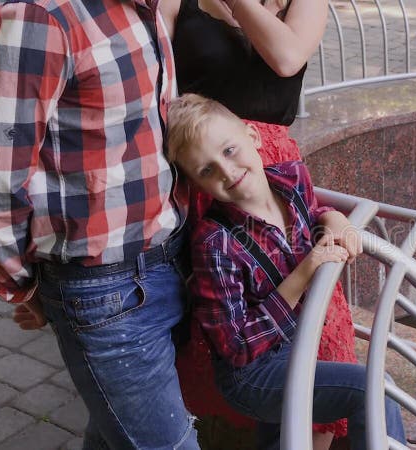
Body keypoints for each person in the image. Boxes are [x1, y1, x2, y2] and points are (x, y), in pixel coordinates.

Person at [0, 0, 200, 448]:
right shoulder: (37, 18)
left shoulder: (144, 7)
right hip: (103, 292)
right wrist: (25, 288)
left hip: (167, 258)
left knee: (114, 431)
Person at [160, 0, 361, 445]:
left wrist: (330, 216)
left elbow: (287, 59)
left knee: (316, 327)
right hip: (202, 171)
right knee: (217, 317)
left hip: (267, 163)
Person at [167, 93, 406, 450]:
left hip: (295, 347)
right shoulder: (214, 243)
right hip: (253, 374)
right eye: (207, 170)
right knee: (372, 389)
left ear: (253, 136)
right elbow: (235, 347)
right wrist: (306, 270)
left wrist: (333, 218)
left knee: (282, 439)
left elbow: (312, 213)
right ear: (197, 185)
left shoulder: (292, 179)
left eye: (229, 151)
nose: (227, 172)